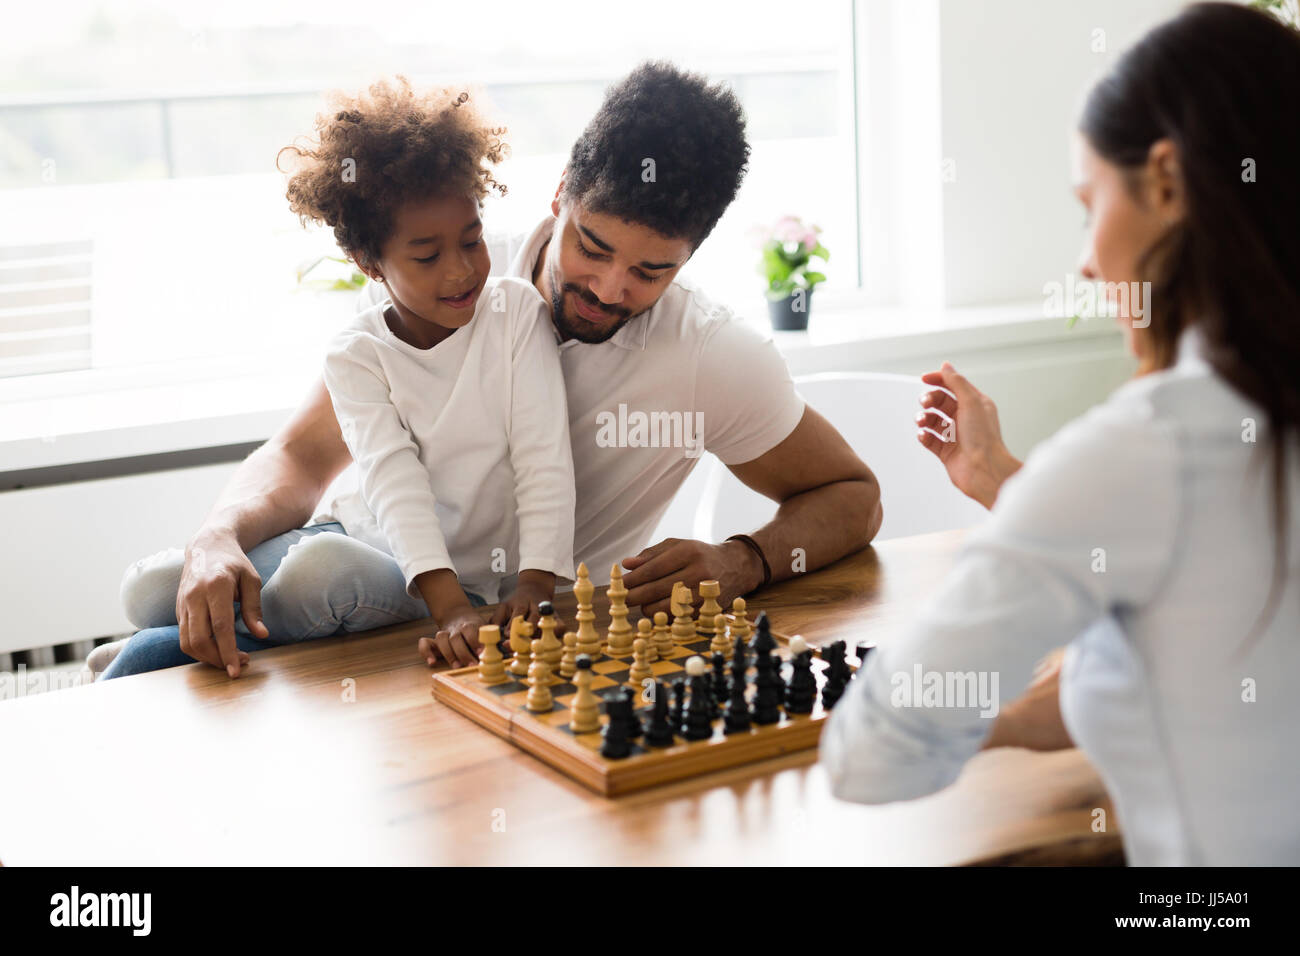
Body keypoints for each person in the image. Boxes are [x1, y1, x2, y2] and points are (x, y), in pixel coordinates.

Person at [97, 61, 883, 681]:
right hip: (367, 583)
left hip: (501, 639)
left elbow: (853, 495)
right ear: (560, 196)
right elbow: (306, 455)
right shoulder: (462, 266)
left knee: (157, 665)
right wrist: (216, 533)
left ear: (692, 258)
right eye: (594, 247)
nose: (610, 290)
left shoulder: (713, 355)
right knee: (165, 660)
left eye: (651, 271)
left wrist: (744, 558)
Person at [822, 2, 1300, 865]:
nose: (1085, 258)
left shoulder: (1145, 446)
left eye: (1090, 204)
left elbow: (870, 753)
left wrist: (1074, 680)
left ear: (1166, 183)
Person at [102, 79, 575, 678]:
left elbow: (544, 461)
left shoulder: (516, 316)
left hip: (456, 579)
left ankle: (151, 649)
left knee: (318, 573)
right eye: (427, 256)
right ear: (369, 263)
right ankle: (170, 632)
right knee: (149, 589)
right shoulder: (356, 352)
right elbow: (392, 478)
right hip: (355, 529)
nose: (460, 271)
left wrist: (508, 594)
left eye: (473, 240)